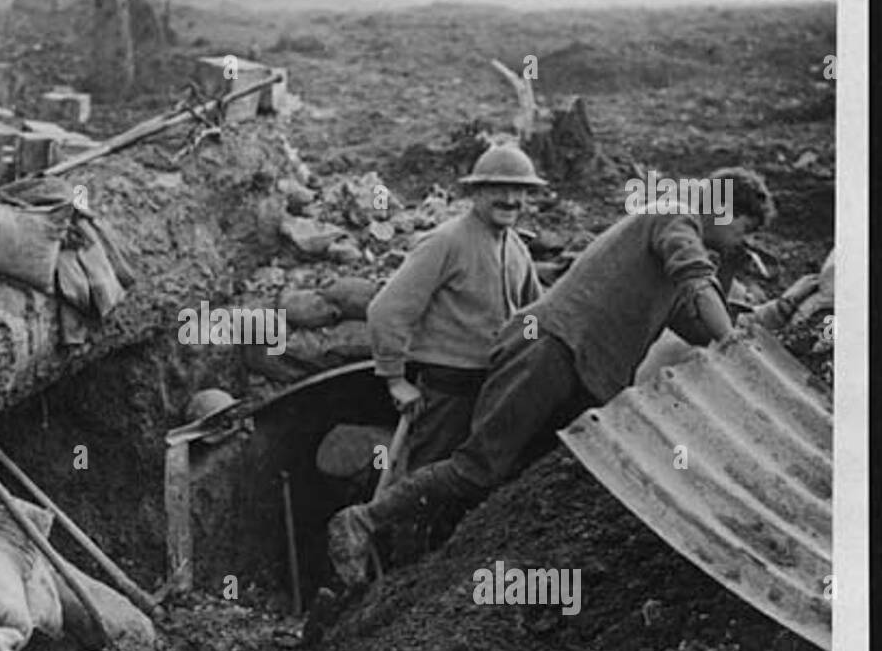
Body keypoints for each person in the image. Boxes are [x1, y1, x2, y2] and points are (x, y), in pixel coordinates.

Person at [327, 166, 778, 587]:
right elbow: (697, 281)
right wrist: (734, 342)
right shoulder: (673, 215)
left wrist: (761, 317)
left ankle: (448, 577)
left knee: (523, 479)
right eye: (743, 230)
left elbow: (698, 320)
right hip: (550, 349)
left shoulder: (675, 251)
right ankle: (364, 521)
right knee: (478, 468)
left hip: (579, 368)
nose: (740, 242)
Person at [367, 141, 546, 474]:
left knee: (472, 480)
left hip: (492, 385)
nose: (510, 200)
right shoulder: (446, 241)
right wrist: (394, 379)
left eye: (519, 190)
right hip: (447, 389)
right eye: (499, 189)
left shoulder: (517, 247)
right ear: (476, 193)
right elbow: (387, 309)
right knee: (428, 477)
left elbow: (535, 313)